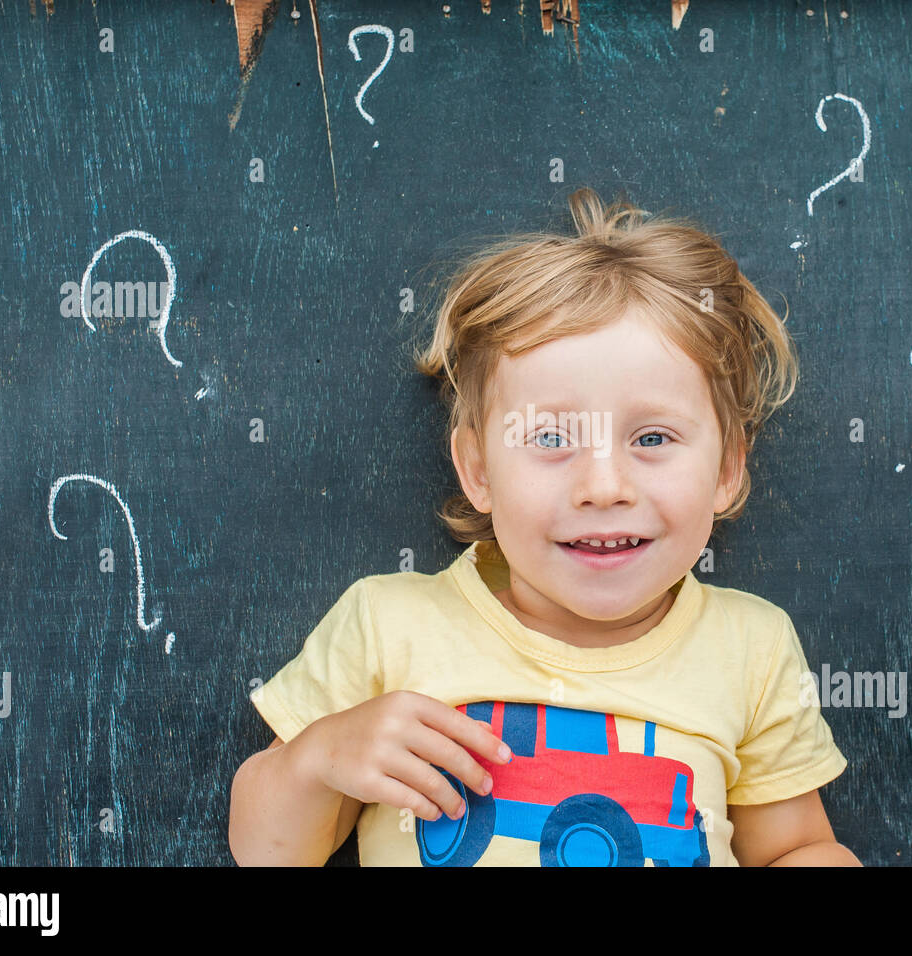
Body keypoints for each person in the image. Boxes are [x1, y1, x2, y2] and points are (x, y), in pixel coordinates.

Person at [228, 187, 860, 867]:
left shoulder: (750, 648)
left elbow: (795, 847)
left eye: (651, 437)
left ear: (728, 468)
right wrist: (321, 757)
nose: (603, 487)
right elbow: (266, 853)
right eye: (552, 437)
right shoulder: (389, 625)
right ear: (478, 469)